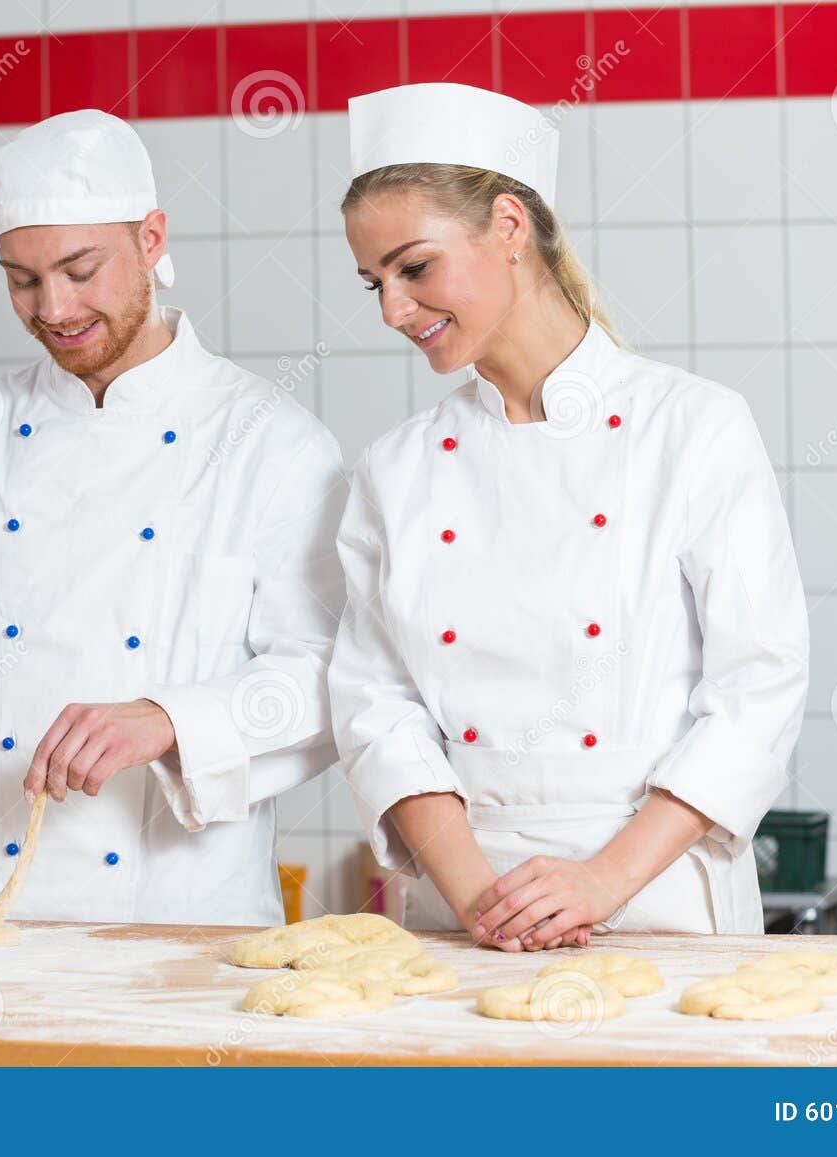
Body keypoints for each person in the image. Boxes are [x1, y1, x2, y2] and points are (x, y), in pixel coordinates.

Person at [0, 110, 346, 926]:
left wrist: (165, 718)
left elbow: (326, 676)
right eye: (22, 278)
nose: (55, 307)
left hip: (180, 925)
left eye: (82, 269)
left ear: (152, 238)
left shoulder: (270, 440)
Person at [329, 84, 808, 951]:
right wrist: (484, 898)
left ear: (509, 227)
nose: (393, 310)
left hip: (658, 902)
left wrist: (601, 880)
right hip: (464, 916)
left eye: (414, 268)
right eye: (375, 282)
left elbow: (757, 686)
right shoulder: (394, 469)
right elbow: (377, 707)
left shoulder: (691, 427)